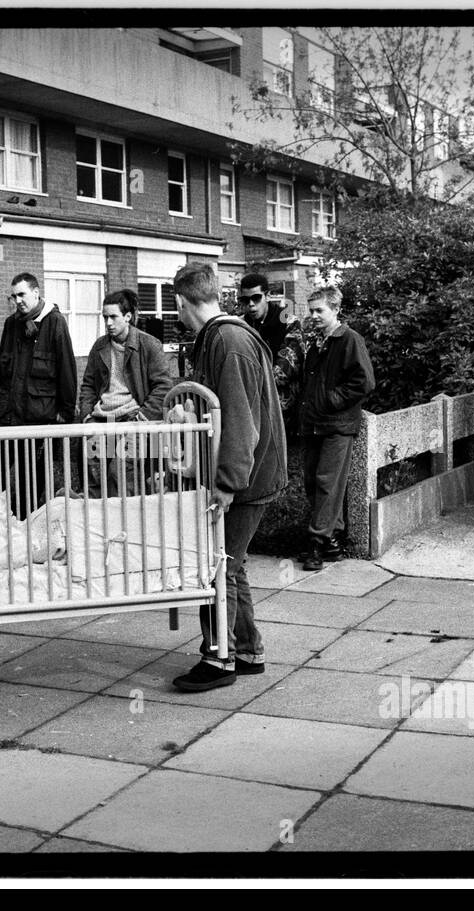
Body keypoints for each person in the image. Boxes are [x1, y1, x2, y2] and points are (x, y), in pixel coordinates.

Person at [170, 262, 287, 692]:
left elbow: (240, 420)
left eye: (176, 307)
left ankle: (221, 659)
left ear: (182, 301)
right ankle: (248, 650)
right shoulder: (225, 337)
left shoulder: (227, 340)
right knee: (231, 567)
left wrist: (226, 484)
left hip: (247, 478)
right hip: (253, 474)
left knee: (216, 567)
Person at [298, 286, 376, 571]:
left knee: (327, 483)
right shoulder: (319, 342)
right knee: (313, 483)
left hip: (337, 425)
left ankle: (316, 543)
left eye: (320, 310)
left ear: (336, 310)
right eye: (311, 310)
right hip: (314, 424)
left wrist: (332, 400)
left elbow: (364, 381)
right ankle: (332, 541)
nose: (314, 316)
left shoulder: (349, 339)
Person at [0, 272, 77, 518]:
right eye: (14, 295)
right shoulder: (11, 324)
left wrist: (65, 414)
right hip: (7, 418)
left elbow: (67, 371)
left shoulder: (55, 322)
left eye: (22, 294)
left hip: (38, 417)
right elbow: (1, 372)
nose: (17, 300)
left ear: (36, 293)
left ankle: (25, 528)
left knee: (31, 480)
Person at [76, 288, 174, 496]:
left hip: (132, 419)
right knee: (94, 472)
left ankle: (127, 523)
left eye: (113, 317)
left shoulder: (149, 345)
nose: (108, 323)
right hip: (101, 419)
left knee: (121, 471)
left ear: (128, 317)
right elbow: (88, 385)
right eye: (105, 317)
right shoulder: (100, 346)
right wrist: (87, 416)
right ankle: (96, 521)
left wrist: (141, 417)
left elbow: (163, 386)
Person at [237, 272, 297, 361]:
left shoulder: (289, 322)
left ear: (268, 296)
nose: (251, 304)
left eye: (256, 298)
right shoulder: (241, 324)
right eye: (245, 300)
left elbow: (289, 362)